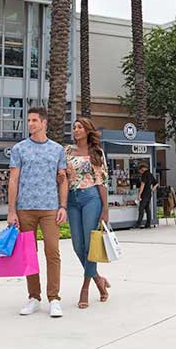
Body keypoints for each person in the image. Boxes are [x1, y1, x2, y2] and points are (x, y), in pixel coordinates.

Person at [7, 107, 68, 318]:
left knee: (53, 252)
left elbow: (63, 179)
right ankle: (34, 297)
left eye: (34, 120)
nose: (30, 124)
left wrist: (63, 206)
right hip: (25, 210)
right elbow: (13, 180)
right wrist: (11, 211)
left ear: (44, 123)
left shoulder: (57, 149)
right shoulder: (19, 149)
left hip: (50, 209)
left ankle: (54, 299)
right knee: (28, 255)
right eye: (29, 120)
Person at [65, 118, 111, 310]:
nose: (75, 130)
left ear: (87, 131)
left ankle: (85, 288)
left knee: (89, 244)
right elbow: (60, 174)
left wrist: (105, 209)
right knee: (77, 245)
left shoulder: (96, 153)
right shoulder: (66, 151)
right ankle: (98, 279)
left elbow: (101, 181)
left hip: (91, 197)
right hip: (71, 199)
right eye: (74, 127)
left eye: (79, 127)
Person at [135, 164, 158, 229]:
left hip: (144, 194)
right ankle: (148, 224)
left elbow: (142, 185)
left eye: (140, 171)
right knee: (147, 209)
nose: (140, 172)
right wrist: (153, 189)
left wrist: (139, 194)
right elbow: (156, 183)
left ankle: (138, 224)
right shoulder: (150, 174)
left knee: (141, 209)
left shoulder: (144, 175)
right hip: (149, 194)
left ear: (142, 169)